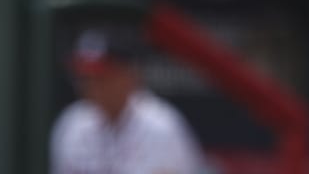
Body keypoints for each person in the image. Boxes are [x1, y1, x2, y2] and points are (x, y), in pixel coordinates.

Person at [50, 27, 206, 174]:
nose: (92, 86)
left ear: (129, 76)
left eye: (101, 77)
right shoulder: (72, 125)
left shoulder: (160, 127)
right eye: (85, 77)